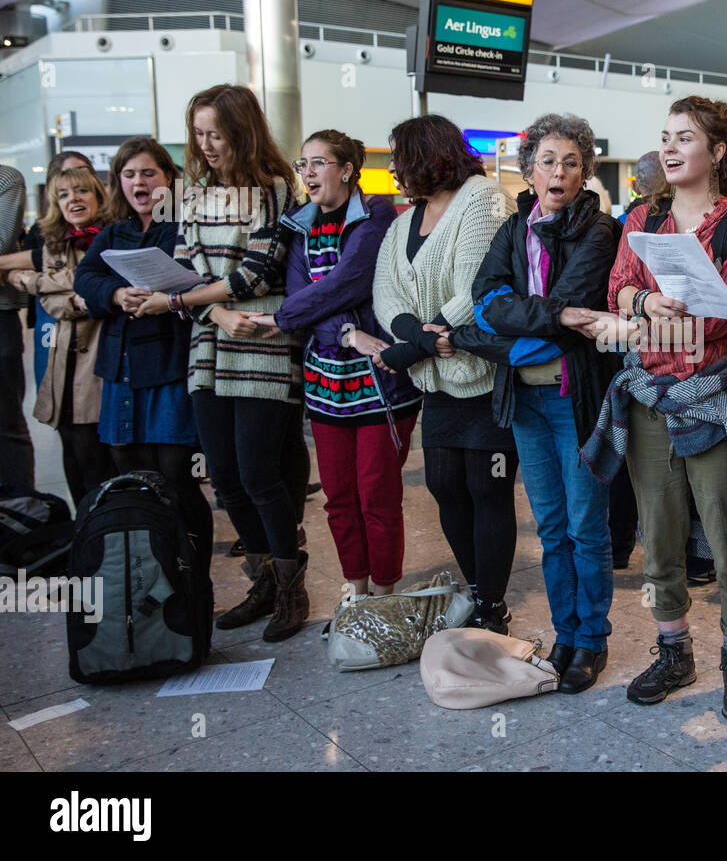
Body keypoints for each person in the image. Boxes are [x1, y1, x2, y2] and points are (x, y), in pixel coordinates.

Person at [578, 96, 727, 721]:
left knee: (725, 531)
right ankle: (674, 649)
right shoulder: (644, 217)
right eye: (665, 137)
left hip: (714, 396)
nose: (670, 148)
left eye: (685, 138)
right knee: (657, 535)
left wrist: (691, 312)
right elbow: (618, 286)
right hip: (650, 394)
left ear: (716, 151)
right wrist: (644, 306)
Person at [447, 113, 620, 693]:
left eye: (572, 162)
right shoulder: (513, 231)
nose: (559, 171)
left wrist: (531, 317)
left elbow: (574, 311)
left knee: (585, 528)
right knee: (549, 529)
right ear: (528, 169)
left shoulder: (600, 232)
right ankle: (564, 634)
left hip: (575, 401)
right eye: (547, 160)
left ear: (584, 173)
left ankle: (591, 641)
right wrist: (547, 315)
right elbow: (485, 303)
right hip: (523, 402)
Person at [135, 84, 306, 643]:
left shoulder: (277, 189)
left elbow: (255, 272)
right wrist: (213, 315)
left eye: (216, 132)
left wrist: (187, 303)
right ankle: (261, 580)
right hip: (212, 342)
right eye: (199, 133)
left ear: (242, 130)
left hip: (263, 335)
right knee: (225, 477)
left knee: (259, 472)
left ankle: (289, 584)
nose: (206, 144)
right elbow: (182, 265)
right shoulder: (196, 192)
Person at [247, 129, 420, 603]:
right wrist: (346, 334)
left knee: (377, 498)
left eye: (318, 163)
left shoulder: (378, 215)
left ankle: (383, 597)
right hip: (326, 385)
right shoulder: (300, 225)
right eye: (303, 165)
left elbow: (349, 283)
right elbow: (309, 298)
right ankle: (356, 589)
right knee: (339, 501)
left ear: (346, 169)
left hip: (381, 383)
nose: (307, 173)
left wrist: (287, 318)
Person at [368, 116, 519, 627]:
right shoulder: (402, 221)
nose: (393, 168)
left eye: (398, 157)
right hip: (438, 381)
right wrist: (423, 341)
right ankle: (475, 590)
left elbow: (475, 287)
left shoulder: (482, 198)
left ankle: (493, 606)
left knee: (486, 486)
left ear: (427, 153)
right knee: (442, 484)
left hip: (483, 377)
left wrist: (408, 351)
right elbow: (386, 294)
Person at [74, 137, 214, 614]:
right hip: (121, 374)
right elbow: (85, 279)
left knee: (177, 477)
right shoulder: (111, 233)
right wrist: (116, 295)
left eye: (149, 173)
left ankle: (193, 580)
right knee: (130, 474)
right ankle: (149, 580)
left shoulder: (184, 226)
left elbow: (201, 277)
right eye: (130, 174)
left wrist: (161, 292)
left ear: (168, 180)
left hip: (171, 368)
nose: (139, 182)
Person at [8, 165, 116, 503]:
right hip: (62, 367)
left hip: (98, 366)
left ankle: (105, 538)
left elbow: (95, 296)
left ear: (99, 195)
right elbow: (59, 305)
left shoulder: (113, 239)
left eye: (82, 191)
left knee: (96, 459)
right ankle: (81, 534)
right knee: (70, 451)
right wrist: (71, 294)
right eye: (64, 195)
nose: (74, 200)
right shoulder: (56, 243)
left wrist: (31, 281)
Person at [0, 151, 95, 391]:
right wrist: (14, 273)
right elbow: (38, 257)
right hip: (51, 326)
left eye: (82, 179)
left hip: (95, 333)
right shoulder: (44, 233)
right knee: (54, 391)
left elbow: (83, 277)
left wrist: (28, 278)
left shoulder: (111, 232)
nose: (73, 195)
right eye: (64, 191)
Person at [0, 165, 35, 488]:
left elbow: (1, 242)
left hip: (1, 315)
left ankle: (21, 509)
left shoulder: (6, 179)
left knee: (7, 421)